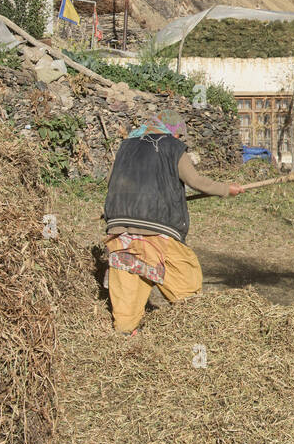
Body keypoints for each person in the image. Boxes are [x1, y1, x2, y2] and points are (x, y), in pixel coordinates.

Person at [102, 110, 244, 334]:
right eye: (179, 136)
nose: (178, 140)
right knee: (186, 284)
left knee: (126, 292)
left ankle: (126, 331)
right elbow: (196, 181)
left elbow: (111, 181)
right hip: (158, 229)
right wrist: (227, 189)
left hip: (121, 230)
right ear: (174, 132)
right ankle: (194, 326)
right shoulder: (172, 146)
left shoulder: (125, 147)